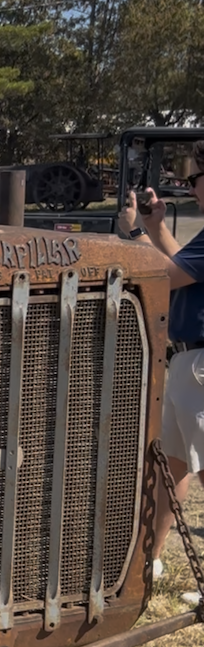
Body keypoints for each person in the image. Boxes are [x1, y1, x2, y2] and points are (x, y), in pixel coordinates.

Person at [117, 140, 204, 603]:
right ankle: (151, 556)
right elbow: (178, 263)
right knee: (171, 464)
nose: (189, 185)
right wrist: (154, 226)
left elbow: (161, 277)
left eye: (194, 177)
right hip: (187, 359)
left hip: (201, 363)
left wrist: (132, 236)